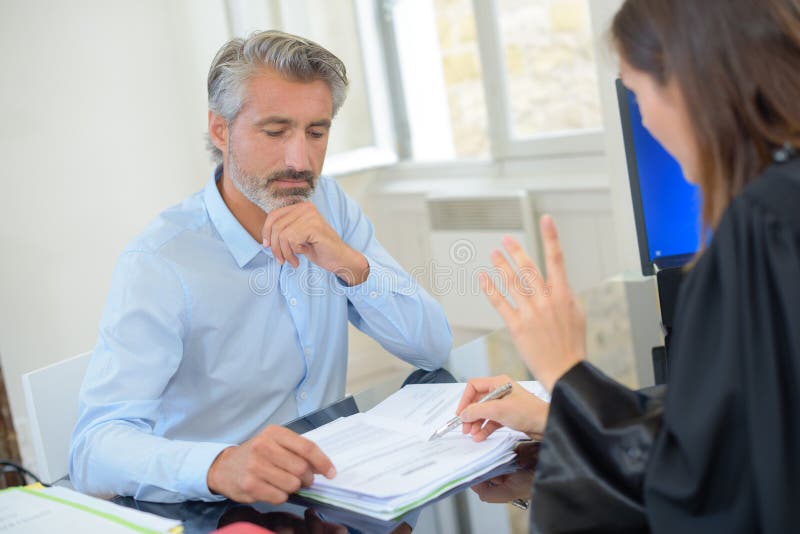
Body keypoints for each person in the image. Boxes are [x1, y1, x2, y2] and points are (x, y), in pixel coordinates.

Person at [456, 0, 800, 531]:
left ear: (691, 81)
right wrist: (562, 417)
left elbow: (703, 497)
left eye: (636, 92)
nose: (642, 118)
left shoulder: (760, 230)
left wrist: (563, 368)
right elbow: (730, 429)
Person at [69, 30, 452, 504]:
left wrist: (351, 264)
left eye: (317, 132)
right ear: (220, 130)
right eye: (275, 132)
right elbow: (93, 449)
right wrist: (218, 464)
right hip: (218, 508)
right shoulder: (160, 263)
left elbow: (432, 348)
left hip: (327, 489)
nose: (300, 160)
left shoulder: (331, 206)